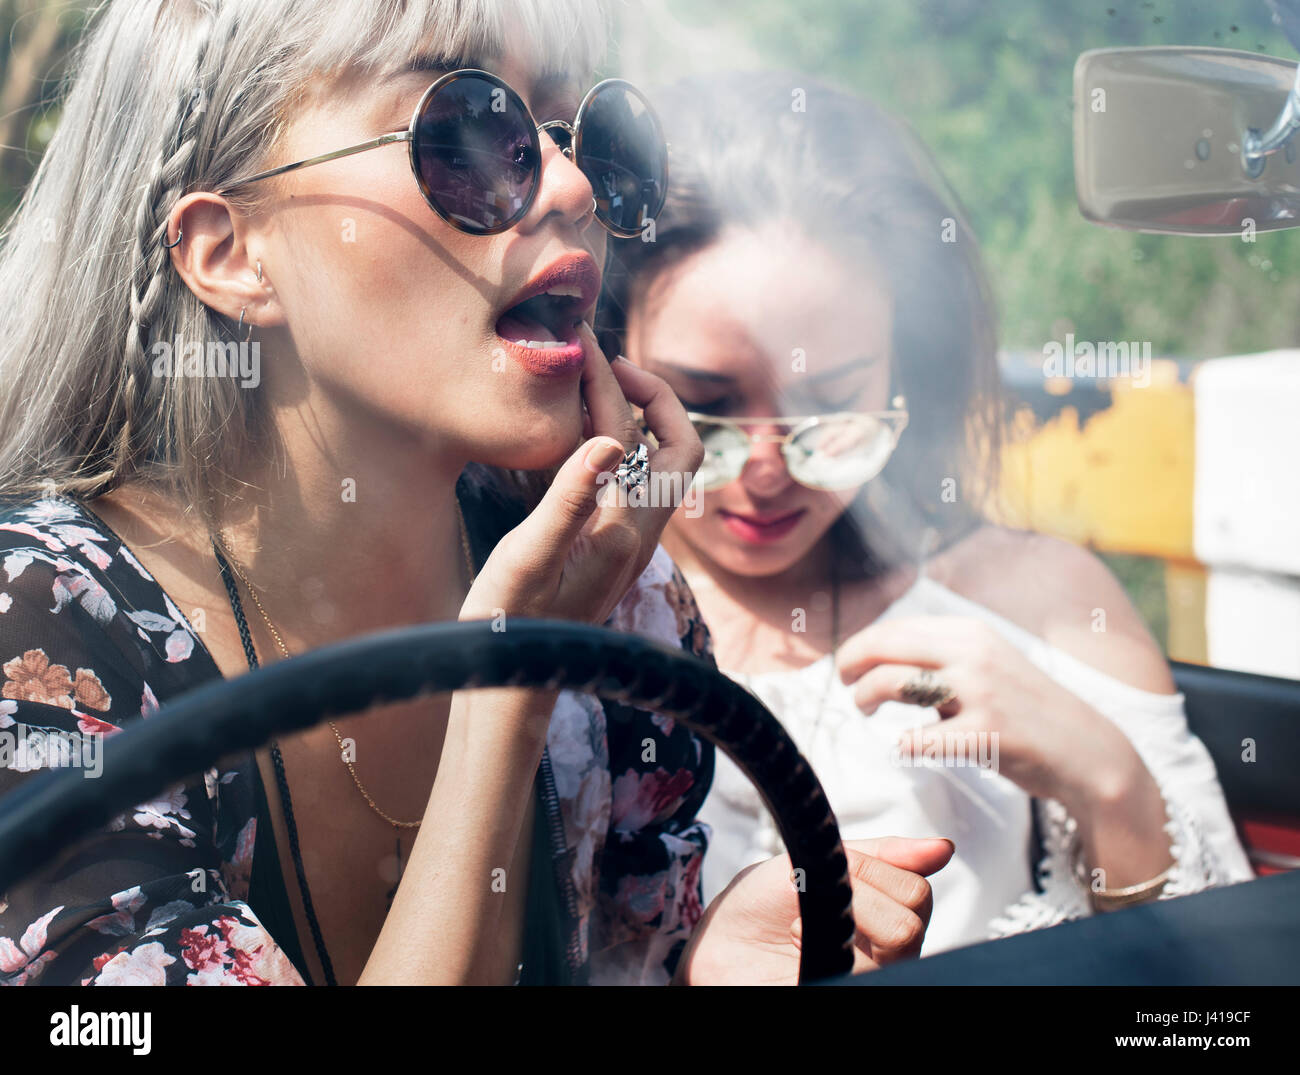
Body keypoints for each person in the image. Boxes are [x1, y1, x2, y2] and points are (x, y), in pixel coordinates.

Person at [0, 2, 951, 986]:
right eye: (465, 131)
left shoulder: (613, 594)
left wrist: (691, 970)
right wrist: (513, 689)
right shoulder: (42, 639)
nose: (575, 186)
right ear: (230, 252)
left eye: (580, 134)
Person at [601, 70, 1254, 954]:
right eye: (706, 404)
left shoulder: (1038, 598)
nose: (764, 470)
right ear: (616, 359)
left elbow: (1225, 989)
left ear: (901, 372)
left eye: (828, 406)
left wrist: (1107, 780)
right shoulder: (567, 609)